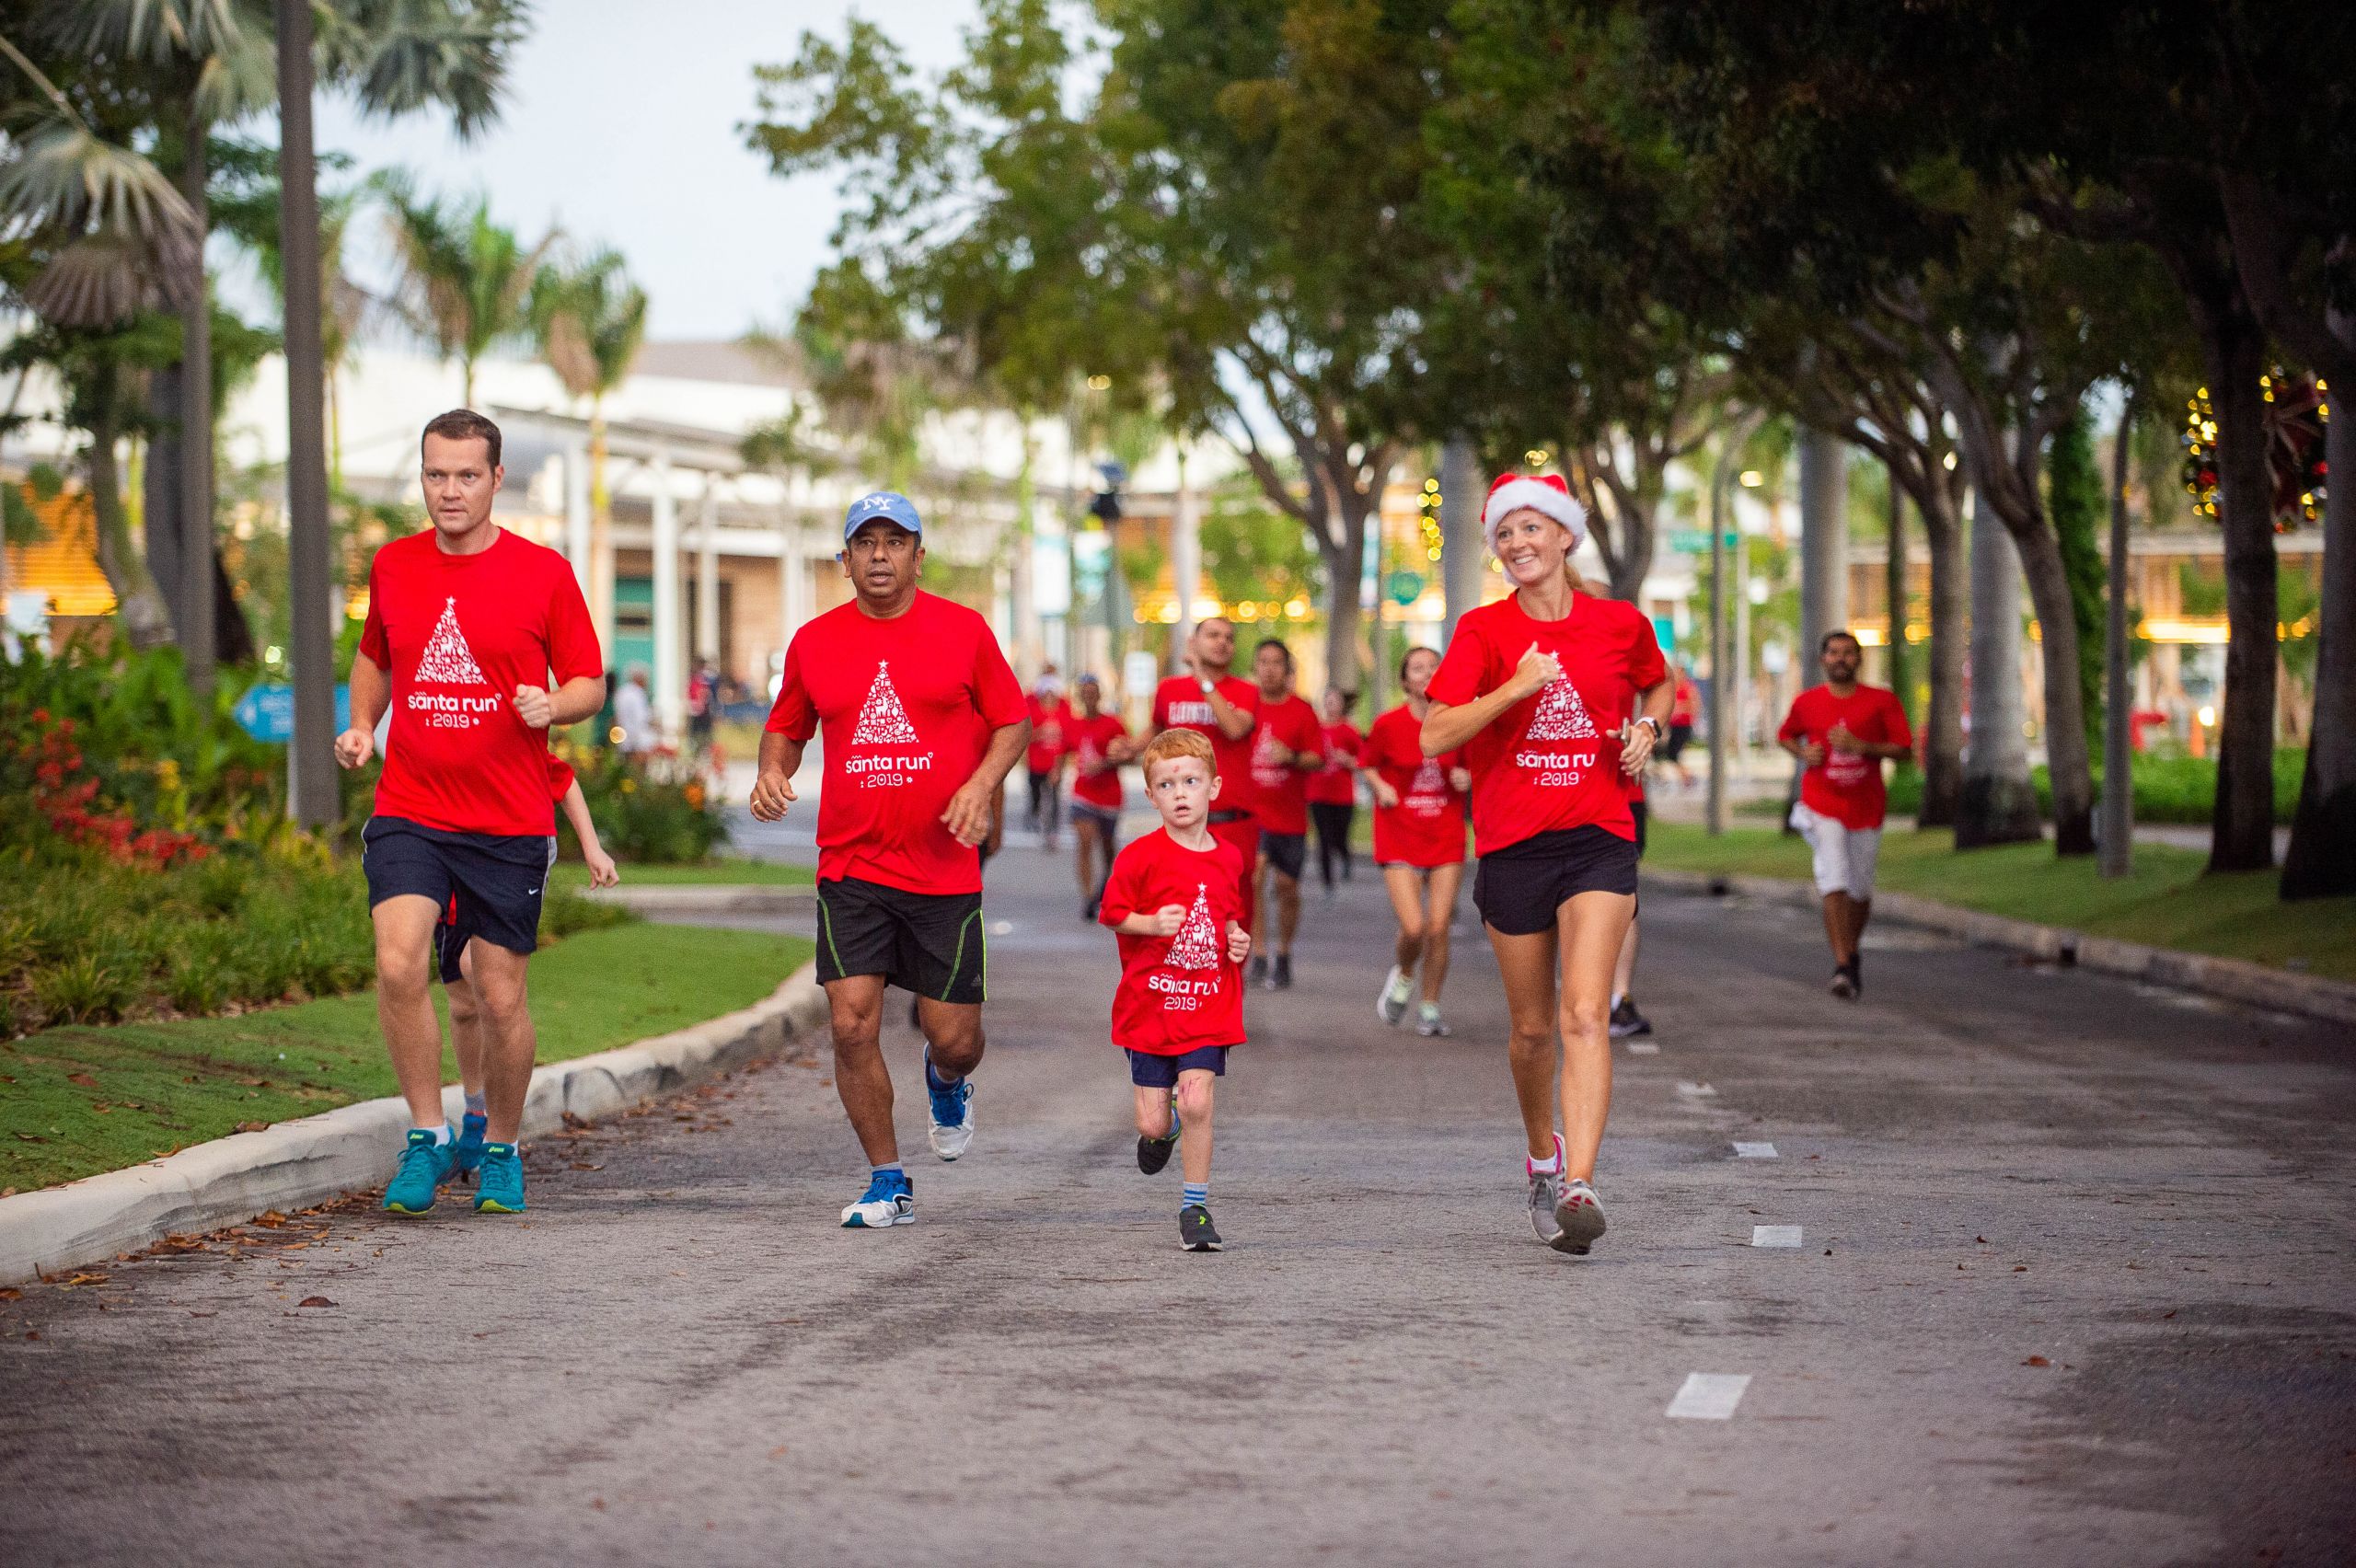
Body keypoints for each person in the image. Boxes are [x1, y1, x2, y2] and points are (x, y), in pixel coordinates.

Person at [336, 409, 606, 1217]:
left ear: (495, 480)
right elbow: (375, 657)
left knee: (498, 997)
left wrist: (549, 703)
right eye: (434, 474)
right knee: (397, 963)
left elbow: (590, 684)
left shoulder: (543, 574)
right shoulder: (395, 565)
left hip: (510, 822)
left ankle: (501, 1147)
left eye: (464, 475)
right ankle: (424, 1136)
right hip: (412, 807)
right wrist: (360, 723)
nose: (447, 491)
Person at [751, 490, 1030, 1229]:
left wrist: (980, 784)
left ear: (917, 555)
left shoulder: (963, 631)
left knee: (956, 1040)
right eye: (865, 543)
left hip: (943, 872)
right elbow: (786, 729)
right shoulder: (815, 642)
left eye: (894, 541)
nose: (879, 554)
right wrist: (773, 771)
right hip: (852, 869)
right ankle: (887, 1179)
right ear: (844, 561)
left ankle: (947, 1082)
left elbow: (1012, 722)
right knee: (850, 1025)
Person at [1421, 472, 1669, 1256]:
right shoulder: (1483, 631)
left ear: (1565, 536)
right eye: (1505, 534)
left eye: (1533, 528)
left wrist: (1647, 732)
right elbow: (1435, 733)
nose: (1519, 544)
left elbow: (1657, 683)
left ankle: (1582, 1183)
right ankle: (1542, 1154)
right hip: (1512, 843)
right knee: (1531, 1031)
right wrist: (1515, 688)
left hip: (1599, 834)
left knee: (1584, 1014)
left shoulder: (1619, 623)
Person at [1098, 728, 1253, 1251]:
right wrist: (1150, 924)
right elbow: (1112, 914)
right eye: (1167, 785)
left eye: (1191, 781)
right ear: (1151, 796)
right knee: (1153, 1119)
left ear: (1214, 786)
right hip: (1150, 1006)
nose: (1180, 793)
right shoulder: (1139, 856)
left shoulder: (1230, 859)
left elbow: (1231, 921)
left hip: (1208, 1004)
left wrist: (1237, 942)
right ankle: (1159, 1135)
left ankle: (1196, 1207)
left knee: (1197, 1102)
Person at [443, 755, 618, 1176]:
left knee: (485, 978)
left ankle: (499, 1133)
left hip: (510, 854)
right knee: (462, 1004)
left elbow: (565, 783)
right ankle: (475, 1111)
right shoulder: (437, 731)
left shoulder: (505, 732)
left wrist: (593, 848)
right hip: (446, 855)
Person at [1778, 629, 1914, 999]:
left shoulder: (1880, 702)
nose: (1840, 659)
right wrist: (1803, 754)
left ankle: (1851, 952)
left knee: (1860, 888)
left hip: (1865, 806)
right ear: (1822, 660)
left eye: (1848, 653)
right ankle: (1841, 963)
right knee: (1833, 877)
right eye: (1833, 653)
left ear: (1859, 659)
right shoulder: (1808, 702)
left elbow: (1904, 748)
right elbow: (1786, 735)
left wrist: (1863, 747)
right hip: (1822, 803)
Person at [1363, 646, 1472, 1038]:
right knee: (1414, 926)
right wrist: (1381, 787)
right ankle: (1405, 974)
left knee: (1439, 926)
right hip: (1399, 832)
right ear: (1405, 680)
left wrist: (1467, 777)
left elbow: (1478, 763)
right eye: (1418, 668)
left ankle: (1429, 1006)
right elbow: (1368, 764)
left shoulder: (1459, 720)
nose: (1427, 673)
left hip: (1445, 833)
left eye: (1433, 667)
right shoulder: (1389, 724)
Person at [1150, 617, 1260, 928]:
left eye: (1228, 637)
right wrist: (1125, 749)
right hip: (1181, 822)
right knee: (1182, 912)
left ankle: (1231, 977)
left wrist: (1203, 679)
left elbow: (1235, 728)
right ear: (1193, 642)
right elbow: (1155, 735)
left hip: (1233, 824)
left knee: (1232, 917)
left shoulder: (1246, 691)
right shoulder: (1168, 689)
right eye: (1213, 635)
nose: (1222, 642)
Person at [1243, 639, 1323, 988]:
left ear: (1287, 670)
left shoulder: (1302, 711)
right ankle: (1258, 953)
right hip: (1252, 815)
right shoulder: (1245, 709)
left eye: (1276, 662)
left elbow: (1318, 758)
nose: (1269, 668)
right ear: (1255, 668)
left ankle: (1284, 952)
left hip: (1289, 818)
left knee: (1287, 887)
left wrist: (1290, 757)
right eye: (1263, 662)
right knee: (1255, 877)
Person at [1063, 674, 1133, 919]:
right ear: (1080, 696)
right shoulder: (1073, 724)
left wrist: (1103, 763)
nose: (1089, 697)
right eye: (1085, 692)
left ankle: (1105, 881)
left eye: (1093, 692)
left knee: (1106, 845)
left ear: (1100, 695)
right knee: (1084, 840)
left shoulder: (1114, 724)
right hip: (1082, 794)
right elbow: (1064, 751)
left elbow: (1130, 755)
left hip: (1110, 796)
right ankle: (1088, 895)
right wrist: (1053, 773)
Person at [1305, 687, 1362, 899]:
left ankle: (1346, 857)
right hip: (1317, 793)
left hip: (1343, 795)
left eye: (1335, 701)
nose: (1331, 705)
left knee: (1340, 837)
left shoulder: (1349, 730)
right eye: (1327, 700)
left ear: (1341, 705)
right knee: (1324, 839)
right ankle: (1328, 883)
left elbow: (1364, 761)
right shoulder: (1315, 729)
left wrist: (1347, 760)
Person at [1023, 670, 1069, 849]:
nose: (1050, 696)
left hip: (1055, 763)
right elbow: (1024, 735)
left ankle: (1052, 831)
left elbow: (1068, 735)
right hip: (1036, 763)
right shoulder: (1034, 709)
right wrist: (1039, 733)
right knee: (1036, 794)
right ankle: (1034, 815)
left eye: (1053, 693)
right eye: (1047, 693)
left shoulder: (1063, 709)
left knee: (1054, 798)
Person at [1663, 664, 1699, 789]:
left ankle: (1687, 777)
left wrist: (1680, 708)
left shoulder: (1688, 688)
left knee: (1674, 753)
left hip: (1684, 724)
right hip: (1674, 725)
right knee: (1672, 753)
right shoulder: (1673, 688)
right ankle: (1686, 777)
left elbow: (1694, 705)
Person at [614, 664, 655, 756]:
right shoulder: (638, 693)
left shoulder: (622, 692)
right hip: (638, 741)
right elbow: (642, 719)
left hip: (623, 739)